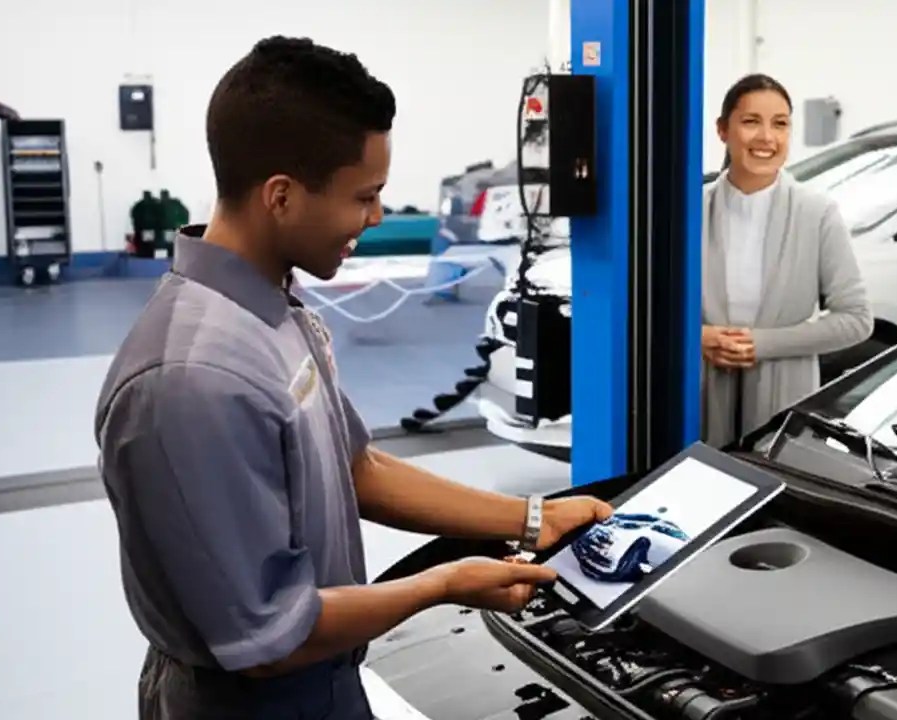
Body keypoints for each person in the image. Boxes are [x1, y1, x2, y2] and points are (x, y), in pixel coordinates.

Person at [92, 36, 612, 719]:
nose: (375, 218)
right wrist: (443, 583)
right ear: (280, 196)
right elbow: (267, 638)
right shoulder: (191, 381)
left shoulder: (272, 308)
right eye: (364, 197)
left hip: (323, 679)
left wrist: (532, 519)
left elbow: (355, 467)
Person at [701, 74, 874, 447]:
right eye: (751, 122)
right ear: (722, 130)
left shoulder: (817, 213)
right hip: (697, 405)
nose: (767, 137)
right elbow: (648, 313)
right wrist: (696, 339)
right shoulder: (688, 211)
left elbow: (856, 320)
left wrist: (760, 344)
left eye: (780, 124)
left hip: (784, 409)